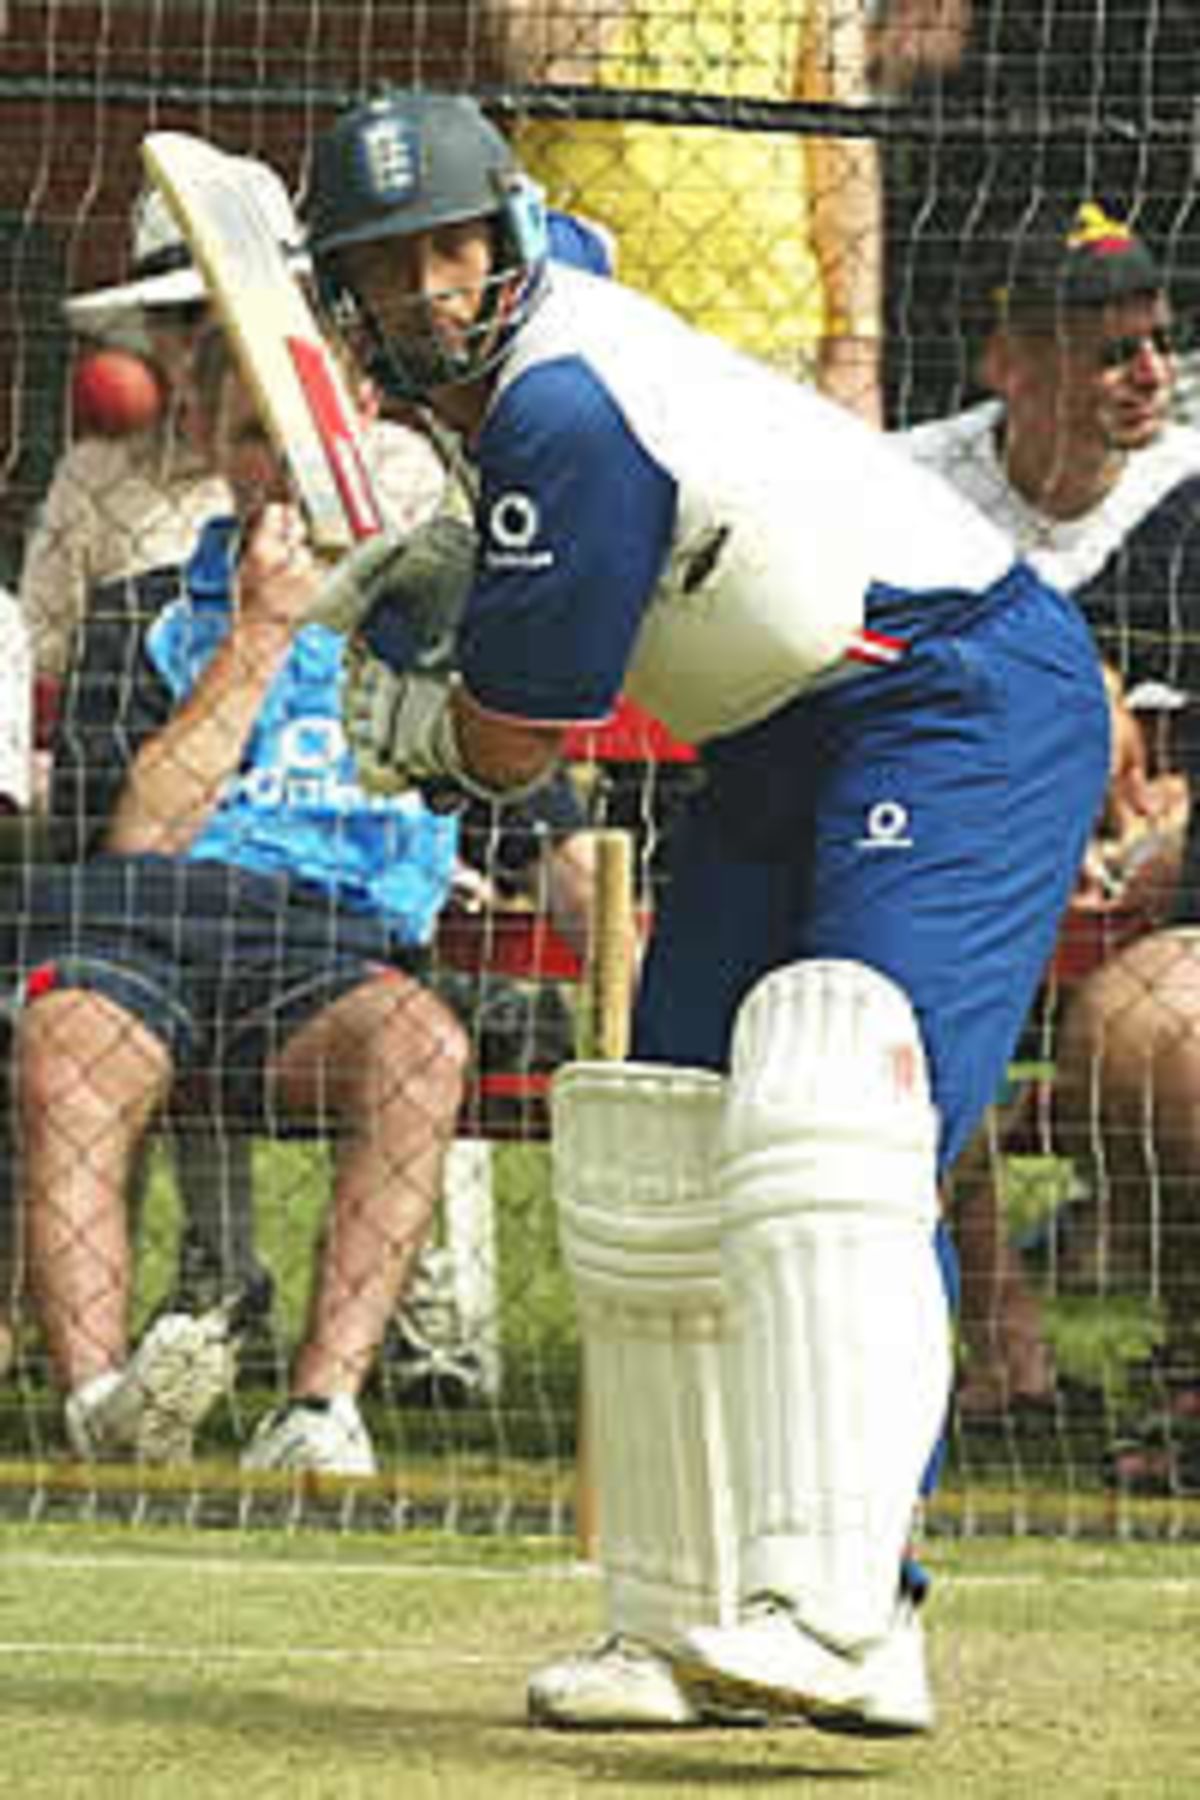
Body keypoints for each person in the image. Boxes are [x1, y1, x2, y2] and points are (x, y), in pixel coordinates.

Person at [303, 88, 1108, 1732]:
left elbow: (514, 753)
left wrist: (398, 710)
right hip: (784, 723)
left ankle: (852, 1611)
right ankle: (674, 1620)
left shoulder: (561, 407)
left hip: (956, 692)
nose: (429, 294)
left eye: (451, 249)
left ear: (506, 236)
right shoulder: (534, 355)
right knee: (664, 1132)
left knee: (839, 1104)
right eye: (389, 267)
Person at [4, 296, 478, 1475]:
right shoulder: (144, 614)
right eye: (253, 435)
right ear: (215, 449)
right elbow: (141, 843)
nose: (281, 465)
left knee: (422, 1051)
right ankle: (105, 1403)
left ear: (362, 426)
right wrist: (260, 637)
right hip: (146, 935)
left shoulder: (427, 620)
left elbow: (543, 814)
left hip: (324, 956)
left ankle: (319, 1413)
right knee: (65, 1050)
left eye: (304, 433)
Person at [903, 205, 1200, 1472]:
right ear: (1009, 362)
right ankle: (1000, 1336)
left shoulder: (1191, 483)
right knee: (906, 1000)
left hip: (1151, 879)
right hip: (965, 853)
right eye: (1109, 350)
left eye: (1159, 343)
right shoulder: (906, 487)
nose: (1149, 376)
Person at [484, 0, 884, 422]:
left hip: (768, 331)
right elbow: (546, 64)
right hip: (588, 327)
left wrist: (854, 349)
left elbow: (843, 150)